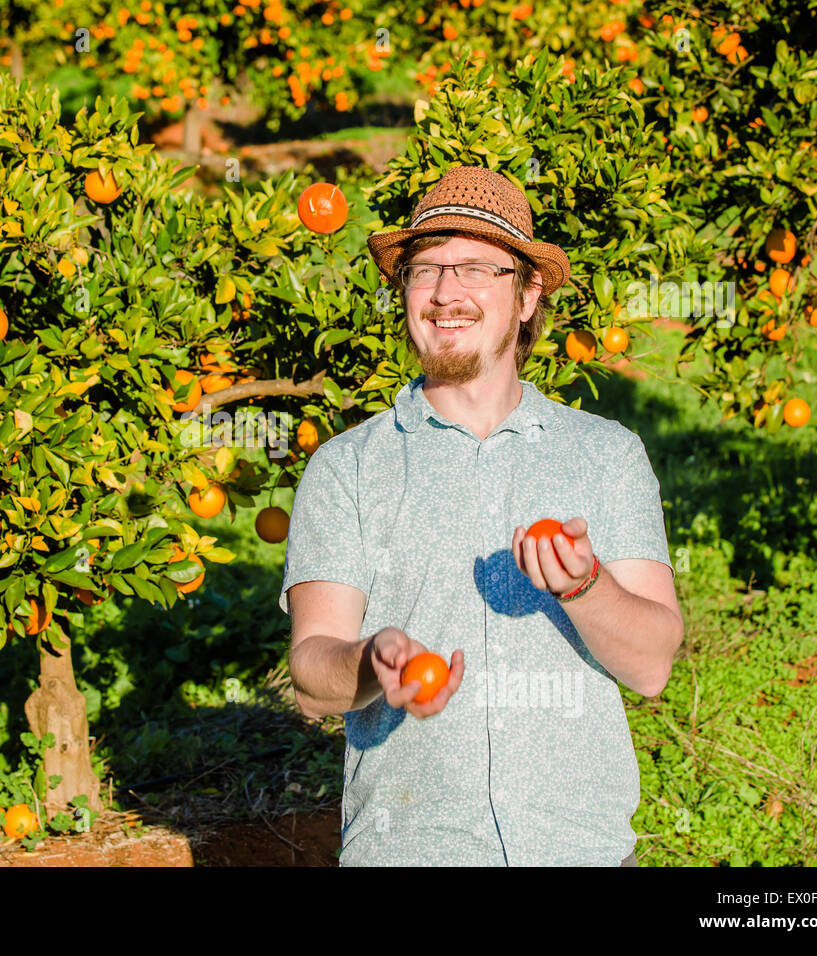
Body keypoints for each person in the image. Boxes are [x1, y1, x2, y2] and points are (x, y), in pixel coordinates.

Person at [279, 165, 683, 866]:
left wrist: (585, 588)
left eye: (474, 268)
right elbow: (315, 673)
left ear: (527, 296)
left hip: (577, 849)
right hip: (407, 849)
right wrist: (371, 662)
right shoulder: (347, 468)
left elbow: (651, 666)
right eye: (425, 269)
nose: (444, 293)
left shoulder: (606, 455)